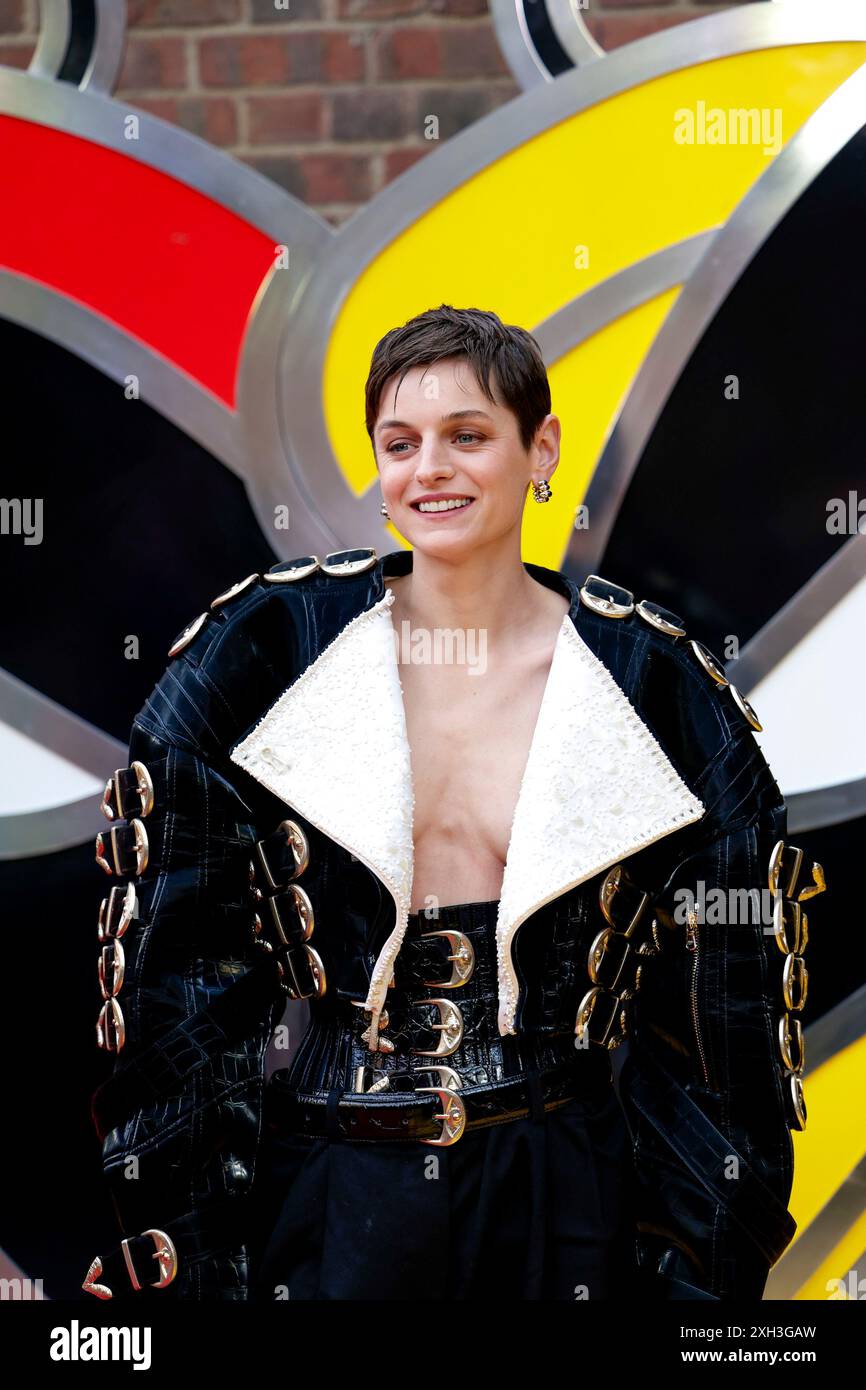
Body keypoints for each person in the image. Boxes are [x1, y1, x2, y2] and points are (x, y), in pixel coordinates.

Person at [84, 305, 817, 1302]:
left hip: (565, 1190)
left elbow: (721, 1032)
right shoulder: (260, 652)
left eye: (466, 435)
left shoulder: (657, 686)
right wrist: (191, 1257)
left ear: (539, 445)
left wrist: (689, 1279)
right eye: (400, 443)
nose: (428, 469)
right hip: (331, 1186)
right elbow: (173, 999)